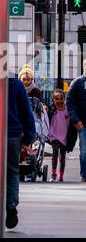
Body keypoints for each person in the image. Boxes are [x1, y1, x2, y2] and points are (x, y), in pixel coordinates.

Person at [7, 73, 37, 229]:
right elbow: (27, 112)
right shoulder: (16, 84)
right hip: (12, 134)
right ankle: (11, 205)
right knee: (12, 171)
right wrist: (28, 138)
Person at [46, 90, 74, 182]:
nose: (59, 101)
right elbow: (45, 118)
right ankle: (53, 174)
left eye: (61, 98)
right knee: (55, 154)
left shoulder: (68, 110)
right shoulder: (52, 109)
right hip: (54, 135)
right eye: (56, 99)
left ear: (64, 99)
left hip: (65, 137)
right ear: (53, 100)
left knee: (62, 157)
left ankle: (61, 176)